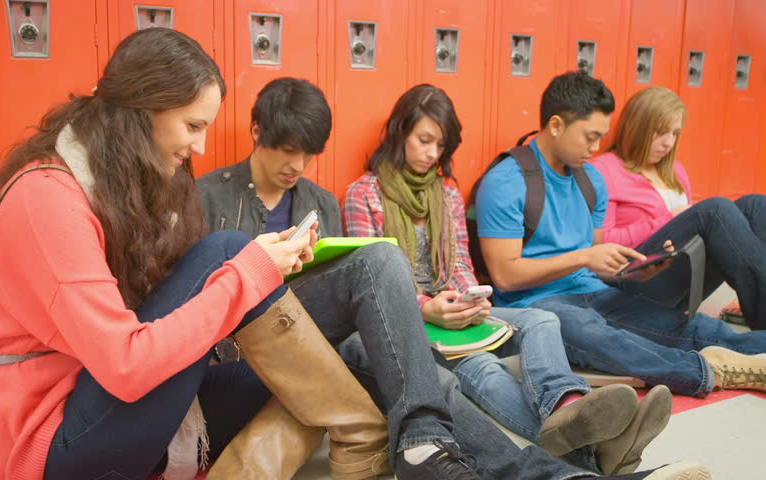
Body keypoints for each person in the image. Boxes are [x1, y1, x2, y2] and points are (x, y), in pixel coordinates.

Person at [198, 77, 709, 480]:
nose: (298, 164)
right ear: (257, 133)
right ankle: (534, 450)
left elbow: (340, 280)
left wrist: (465, 298)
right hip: (250, 344)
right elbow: (201, 302)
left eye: (309, 153)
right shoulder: (210, 197)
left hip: (326, 338)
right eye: (287, 149)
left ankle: (556, 467)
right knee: (401, 292)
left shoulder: (320, 201)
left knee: (449, 365)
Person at [0, 29, 390, 480]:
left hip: (97, 404)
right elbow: (128, 364)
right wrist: (248, 274)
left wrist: (255, 277)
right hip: (54, 447)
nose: (200, 147)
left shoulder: (108, 183)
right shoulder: (44, 198)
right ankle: (368, 441)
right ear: (143, 112)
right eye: (193, 126)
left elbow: (158, 316)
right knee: (225, 251)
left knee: (289, 370)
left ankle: (369, 440)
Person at [342, 83, 673, 475]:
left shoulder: (446, 194)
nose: (432, 154)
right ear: (400, 134)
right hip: (406, 325)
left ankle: (567, 404)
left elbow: (462, 265)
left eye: (441, 146)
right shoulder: (363, 194)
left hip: (455, 311)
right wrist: (426, 308)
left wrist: (473, 297)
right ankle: (598, 450)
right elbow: (375, 286)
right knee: (483, 369)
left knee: (542, 319)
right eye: (424, 141)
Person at [475, 70, 766, 403]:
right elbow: (506, 277)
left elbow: (596, 262)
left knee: (693, 328)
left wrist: (634, 270)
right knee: (596, 335)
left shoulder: (590, 182)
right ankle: (709, 372)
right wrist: (584, 257)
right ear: (556, 125)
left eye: (601, 136)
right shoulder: (506, 182)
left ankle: (752, 355)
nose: (596, 147)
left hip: (593, 291)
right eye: (589, 136)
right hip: (535, 305)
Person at [590, 86, 766, 331]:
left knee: (755, 204)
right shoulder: (604, 169)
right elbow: (600, 242)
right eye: (661, 133)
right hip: (636, 281)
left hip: (680, 276)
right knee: (715, 210)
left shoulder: (675, 171)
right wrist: (664, 220)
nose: (669, 143)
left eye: (675, 133)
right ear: (637, 127)